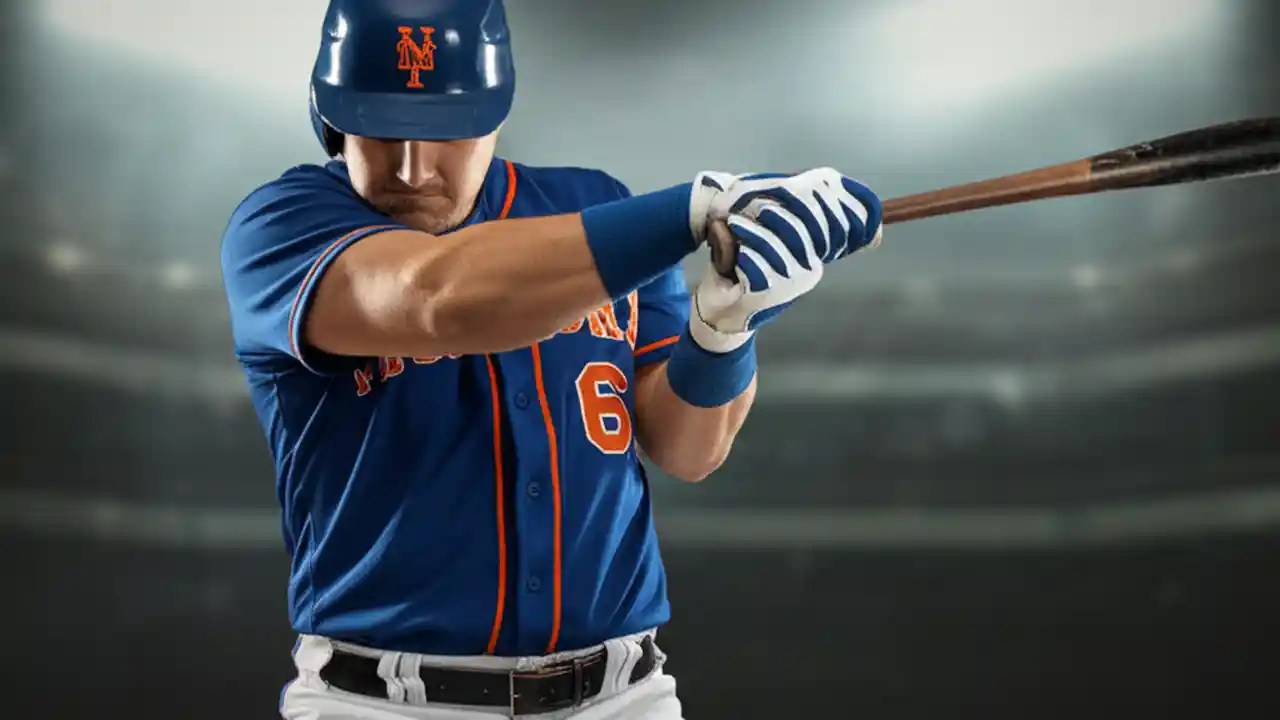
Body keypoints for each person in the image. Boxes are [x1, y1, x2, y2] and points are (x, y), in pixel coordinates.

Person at [219, 0, 882, 717]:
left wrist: (725, 328)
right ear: (328, 113)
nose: (411, 168)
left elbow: (690, 448)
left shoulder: (593, 207)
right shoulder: (280, 227)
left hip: (622, 695)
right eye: (378, 127)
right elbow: (438, 295)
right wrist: (693, 211)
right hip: (383, 701)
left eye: (443, 129)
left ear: (495, 110)